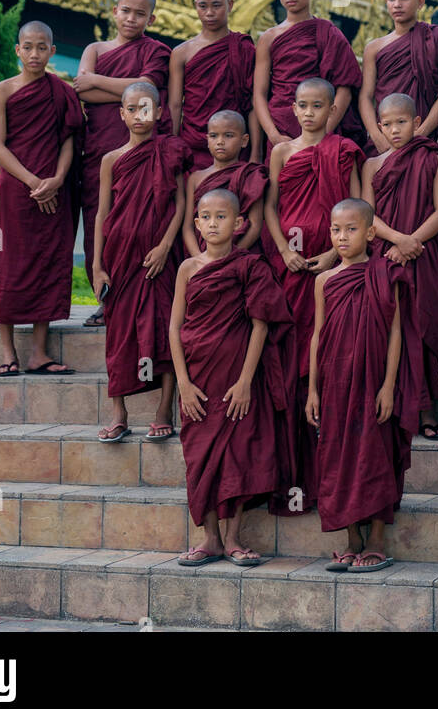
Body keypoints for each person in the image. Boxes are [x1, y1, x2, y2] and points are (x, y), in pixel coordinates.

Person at [170, 189, 296, 567]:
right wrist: (182, 382)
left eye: (221, 217)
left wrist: (245, 382)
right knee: (200, 457)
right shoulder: (188, 269)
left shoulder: (251, 266)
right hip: (197, 380)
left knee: (240, 454)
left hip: (237, 382)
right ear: (196, 224)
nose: (213, 224)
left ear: (240, 224)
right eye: (205, 217)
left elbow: (261, 325)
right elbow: (175, 327)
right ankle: (208, 538)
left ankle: (233, 538)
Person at [264, 77, 363, 508]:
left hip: (334, 268)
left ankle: (330, 478)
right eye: (301, 105)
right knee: (289, 364)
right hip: (289, 270)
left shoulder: (343, 151)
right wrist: (284, 249)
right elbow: (269, 207)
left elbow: (360, 207)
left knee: (323, 361)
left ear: (331, 110)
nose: (307, 113)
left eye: (316, 106)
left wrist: (332, 257)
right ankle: (291, 473)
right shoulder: (281, 152)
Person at [307, 199, 414, 573]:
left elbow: (396, 329)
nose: (341, 236)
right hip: (336, 383)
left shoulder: (385, 272)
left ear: (370, 233)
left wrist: (388, 385)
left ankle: (379, 539)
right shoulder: (324, 280)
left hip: (372, 382)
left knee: (375, 451)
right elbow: (318, 335)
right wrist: (312, 390)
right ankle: (352, 539)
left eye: (351, 229)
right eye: (336, 229)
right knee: (338, 456)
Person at [91, 82, 192, 443]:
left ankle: (164, 410)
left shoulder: (170, 151)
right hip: (120, 260)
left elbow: (181, 204)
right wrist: (97, 265)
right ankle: (119, 413)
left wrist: (166, 245)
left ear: (160, 113)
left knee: (164, 328)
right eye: (132, 109)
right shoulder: (112, 160)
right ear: (122, 114)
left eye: (146, 108)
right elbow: (103, 213)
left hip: (159, 261)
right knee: (120, 336)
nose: (139, 116)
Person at [0, 21, 83, 377]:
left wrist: (56, 180)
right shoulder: (1, 91)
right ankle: (8, 352)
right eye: (28, 47)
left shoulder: (62, 91)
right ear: (17, 49)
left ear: (52, 52)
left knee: (48, 261)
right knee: (6, 265)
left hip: (55, 191)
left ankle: (39, 353)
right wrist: (33, 182)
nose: (34, 54)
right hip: (14, 190)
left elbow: (69, 140)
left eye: (42, 48)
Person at [74, 0, 171, 323]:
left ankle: (140, 295)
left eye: (139, 14)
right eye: (125, 11)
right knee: (101, 222)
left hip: (142, 149)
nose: (131, 18)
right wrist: (129, 91)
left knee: (140, 223)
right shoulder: (94, 48)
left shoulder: (157, 51)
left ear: (151, 18)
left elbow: (147, 92)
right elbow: (82, 92)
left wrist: (100, 83)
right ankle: (106, 297)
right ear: (114, 11)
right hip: (100, 150)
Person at [362, 92, 438, 440]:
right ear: (380, 127)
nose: (395, 129)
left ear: (416, 123)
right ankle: (392, 410)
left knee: (425, 328)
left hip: (425, 254)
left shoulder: (432, 159)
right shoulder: (372, 165)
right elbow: (367, 216)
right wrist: (400, 240)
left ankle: (427, 412)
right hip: (387, 254)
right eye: (388, 124)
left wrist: (413, 241)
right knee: (391, 330)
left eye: (402, 122)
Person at [253, 0, 363, 154]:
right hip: (282, 127)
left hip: (320, 124)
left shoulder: (327, 32)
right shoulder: (268, 39)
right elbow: (259, 94)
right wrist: (273, 135)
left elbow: (344, 87)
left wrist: (324, 131)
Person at [359, 0, 438, 154]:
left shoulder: (436, 39)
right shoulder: (374, 48)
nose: (397, 4)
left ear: (420, 2)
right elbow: (365, 97)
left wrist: (422, 132)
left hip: (427, 137)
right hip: (386, 138)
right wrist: (377, 136)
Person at [168, 0, 258, 168]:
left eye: (216, 5)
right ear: (195, 6)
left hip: (235, 146)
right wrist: (173, 146)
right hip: (193, 144)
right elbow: (175, 105)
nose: (209, 13)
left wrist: (256, 153)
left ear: (230, 5)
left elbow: (251, 103)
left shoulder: (243, 48)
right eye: (203, 6)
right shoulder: (181, 53)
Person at [182, 111, 268, 256]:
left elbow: (255, 225)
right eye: (214, 136)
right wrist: (199, 258)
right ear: (207, 140)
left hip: (240, 255)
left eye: (228, 135)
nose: (220, 141)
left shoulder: (251, 174)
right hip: (202, 257)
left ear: (244, 140)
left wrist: (228, 258)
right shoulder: (195, 178)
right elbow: (188, 227)